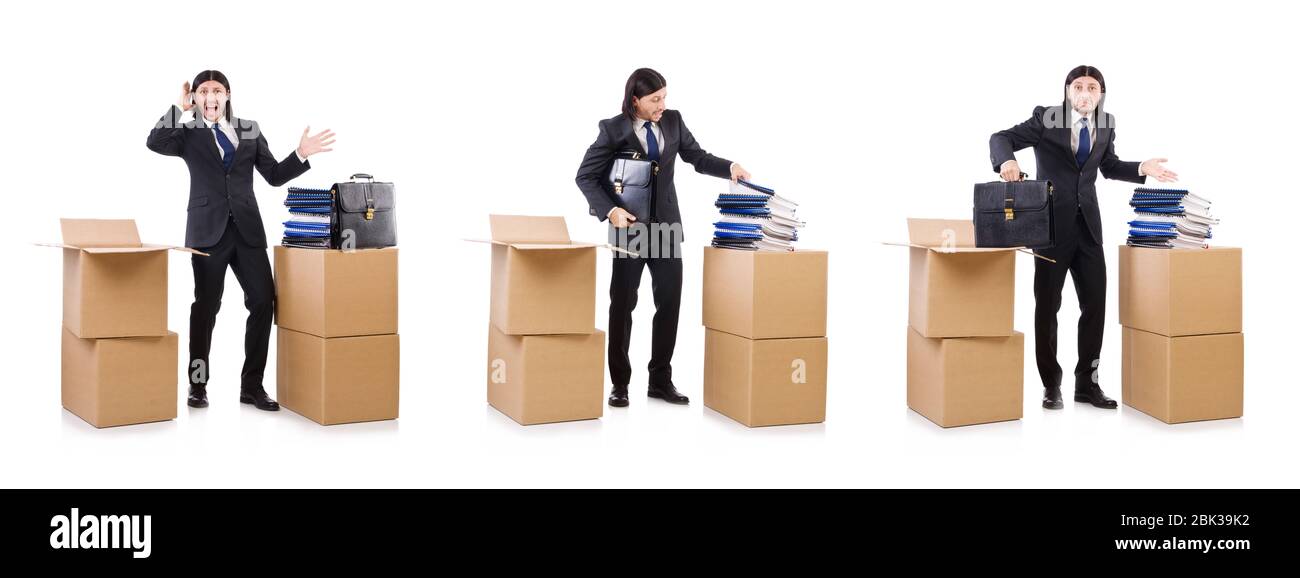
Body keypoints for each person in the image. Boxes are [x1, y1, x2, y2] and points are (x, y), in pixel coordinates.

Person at [989, 65, 1178, 410]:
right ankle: (1051, 385)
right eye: (1078, 86)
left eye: (1093, 87)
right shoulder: (1046, 119)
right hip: (1050, 229)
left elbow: (1108, 166)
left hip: (1089, 228)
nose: (1085, 93)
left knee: (1095, 305)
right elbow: (1000, 138)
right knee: (1048, 307)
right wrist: (1006, 162)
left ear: (1101, 94)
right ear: (1067, 91)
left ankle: (1086, 384)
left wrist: (1139, 168)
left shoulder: (1106, 124)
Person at [147, 70, 336, 411]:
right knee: (205, 309)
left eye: (216, 91)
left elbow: (275, 175)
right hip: (207, 233)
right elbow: (154, 143)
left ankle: (252, 386)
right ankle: (197, 385)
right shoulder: (186, 131)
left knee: (264, 301)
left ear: (228, 94)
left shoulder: (249, 129)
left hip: (247, 230)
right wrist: (178, 109)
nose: (210, 97)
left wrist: (301, 153)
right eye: (203, 92)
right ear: (196, 98)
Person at [576, 68, 751, 408]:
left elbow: (697, 157)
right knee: (623, 305)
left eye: (664, 97)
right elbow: (586, 176)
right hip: (630, 228)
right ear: (635, 100)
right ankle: (620, 384)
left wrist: (730, 167)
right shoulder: (613, 129)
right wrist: (611, 211)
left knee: (669, 303)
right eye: (655, 99)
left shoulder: (672, 121)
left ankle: (660, 381)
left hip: (667, 227)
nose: (662, 105)